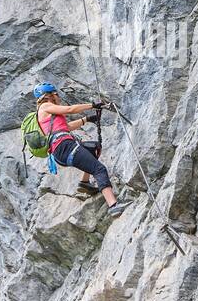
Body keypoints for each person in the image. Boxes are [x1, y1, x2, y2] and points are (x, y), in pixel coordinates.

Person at [32, 83, 128, 218]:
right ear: (51, 95)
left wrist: (87, 119)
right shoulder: (45, 106)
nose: (59, 96)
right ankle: (113, 206)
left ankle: (84, 184)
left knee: (93, 147)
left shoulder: (44, 113)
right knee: (99, 169)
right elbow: (70, 109)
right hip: (64, 146)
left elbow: (66, 127)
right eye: (56, 94)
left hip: (60, 150)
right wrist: (93, 105)